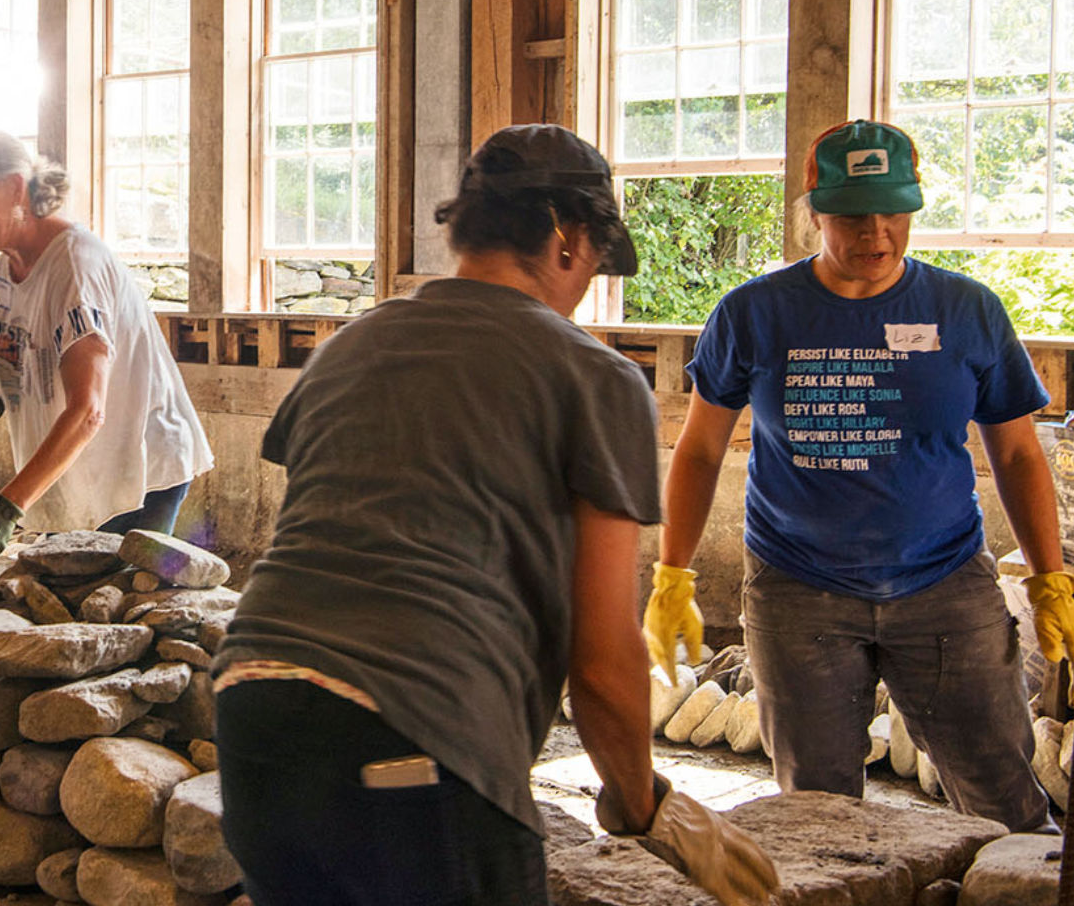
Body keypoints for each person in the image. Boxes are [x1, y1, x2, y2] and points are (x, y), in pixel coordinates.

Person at [213, 125, 777, 906]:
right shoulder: (594, 378)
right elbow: (602, 654)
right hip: (418, 737)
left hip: (254, 717)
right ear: (568, 238)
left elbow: (323, 542)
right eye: (592, 262)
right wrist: (648, 805)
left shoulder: (352, 345)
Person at [647, 119, 1074, 833]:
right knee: (816, 812)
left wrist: (1047, 575)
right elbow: (697, 453)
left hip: (944, 584)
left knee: (1004, 798)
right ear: (813, 213)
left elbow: (1019, 454)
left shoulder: (966, 311)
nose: (875, 234)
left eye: (893, 213)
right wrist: (673, 573)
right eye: (851, 215)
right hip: (799, 590)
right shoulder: (754, 314)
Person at [0, 126, 213, 579]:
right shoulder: (3, 275)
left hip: (138, 464)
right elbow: (32, 381)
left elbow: (87, 410)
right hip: (78, 468)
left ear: (14, 188)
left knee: (120, 607)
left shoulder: (76, 266)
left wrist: (5, 510)